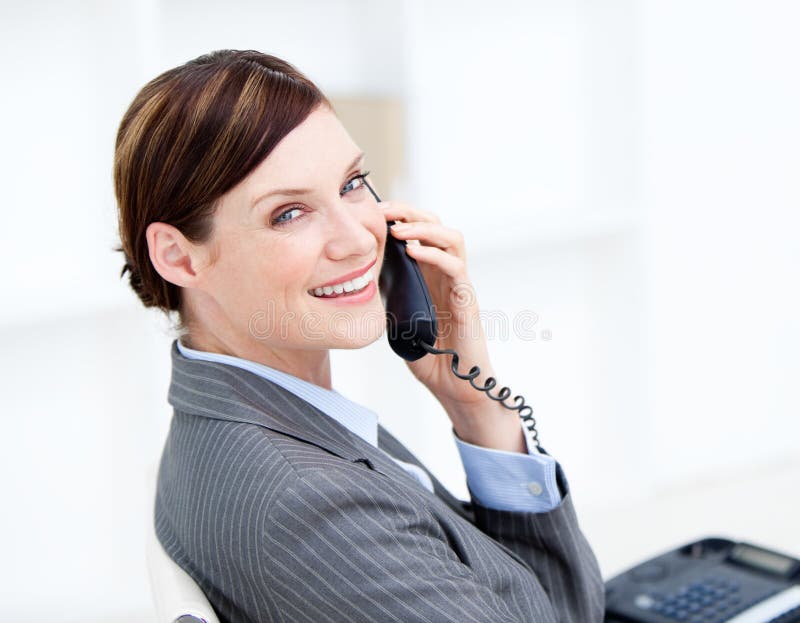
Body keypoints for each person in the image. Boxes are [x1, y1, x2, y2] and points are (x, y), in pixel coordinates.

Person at [115, 49, 604, 622]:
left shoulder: (271, 420)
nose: (359, 239)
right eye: (288, 213)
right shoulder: (310, 502)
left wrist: (476, 405)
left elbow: (547, 603)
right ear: (179, 257)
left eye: (352, 183)